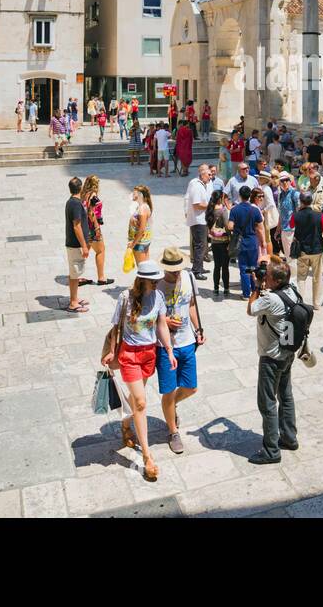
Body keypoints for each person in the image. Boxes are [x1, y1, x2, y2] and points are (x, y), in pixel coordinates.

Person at [101, 261, 175, 482]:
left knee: (136, 398)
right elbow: (116, 327)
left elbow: (161, 324)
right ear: (143, 280)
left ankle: (125, 425)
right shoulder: (125, 297)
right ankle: (147, 456)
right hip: (130, 355)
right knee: (141, 402)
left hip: (148, 353)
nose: (158, 283)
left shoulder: (158, 297)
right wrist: (112, 351)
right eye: (154, 280)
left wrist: (169, 350)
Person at [248, 259, 301, 465]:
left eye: (268, 275)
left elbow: (251, 309)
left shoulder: (271, 299)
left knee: (267, 402)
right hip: (288, 353)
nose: (264, 277)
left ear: (276, 280)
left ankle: (271, 451)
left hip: (271, 357)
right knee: (286, 396)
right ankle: (289, 437)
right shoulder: (293, 289)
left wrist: (256, 286)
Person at [157, 248, 205, 455]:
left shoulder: (189, 277)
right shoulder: (156, 284)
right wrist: (165, 321)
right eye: (172, 270)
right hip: (164, 346)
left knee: (191, 387)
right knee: (168, 389)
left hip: (187, 341)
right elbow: (147, 315)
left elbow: (192, 304)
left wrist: (199, 328)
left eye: (178, 269)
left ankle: (170, 407)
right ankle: (173, 431)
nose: (176, 273)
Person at [230, 186, 268, 298]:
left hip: (241, 242)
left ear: (240, 196)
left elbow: (230, 226)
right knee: (253, 267)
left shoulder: (234, 209)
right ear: (249, 196)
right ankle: (254, 290)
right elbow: (260, 228)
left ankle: (246, 294)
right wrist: (263, 242)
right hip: (253, 241)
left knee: (243, 267)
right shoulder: (255, 210)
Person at [64, 177, 92, 314]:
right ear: (80, 188)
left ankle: (75, 298)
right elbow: (77, 226)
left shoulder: (71, 201)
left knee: (74, 273)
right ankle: (73, 303)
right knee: (75, 274)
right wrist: (84, 246)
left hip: (72, 243)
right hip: (75, 244)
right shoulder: (75, 204)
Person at [79, 175, 112, 287]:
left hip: (84, 227)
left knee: (84, 252)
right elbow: (91, 213)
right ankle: (101, 278)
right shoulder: (93, 196)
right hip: (92, 228)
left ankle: (77, 277)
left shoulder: (82, 195)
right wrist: (97, 227)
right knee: (100, 250)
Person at [185, 164, 213, 281]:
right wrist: (210, 206)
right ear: (202, 174)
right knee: (199, 245)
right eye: (209, 174)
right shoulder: (196, 186)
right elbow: (196, 205)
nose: (211, 177)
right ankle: (196, 270)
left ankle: (200, 267)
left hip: (202, 219)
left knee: (202, 245)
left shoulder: (203, 184)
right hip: (198, 220)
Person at [206, 189, 232, 296]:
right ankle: (226, 288)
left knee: (217, 266)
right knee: (225, 266)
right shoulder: (223, 210)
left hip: (214, 241)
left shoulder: (210, 210)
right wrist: (231, 239)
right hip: (224, 241)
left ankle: (216, 288)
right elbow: (227, 226)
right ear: (220, 198)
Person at [127, 185, 153, 264]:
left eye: (134, 193)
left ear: (140, 195)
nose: (132, 195)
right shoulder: (142, 206)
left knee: (142, 269)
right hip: (143, 241)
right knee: (145, 267)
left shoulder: (142, 209)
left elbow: (141, 229)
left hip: (140, 243)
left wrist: (132, 244)